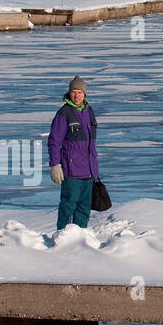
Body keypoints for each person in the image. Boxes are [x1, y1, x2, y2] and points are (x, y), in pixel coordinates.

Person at [49, 76, 99, 231]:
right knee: (68, 206)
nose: (76, 95)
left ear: (85, 94)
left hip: (89, 170)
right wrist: (55, 165)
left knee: (84, 208)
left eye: (79, 92)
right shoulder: (64, 114)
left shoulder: (88, 111)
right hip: (71, 170)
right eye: (73, 92)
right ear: (69, 93)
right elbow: (54, 141)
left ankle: (80, 238)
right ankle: (62, 237)